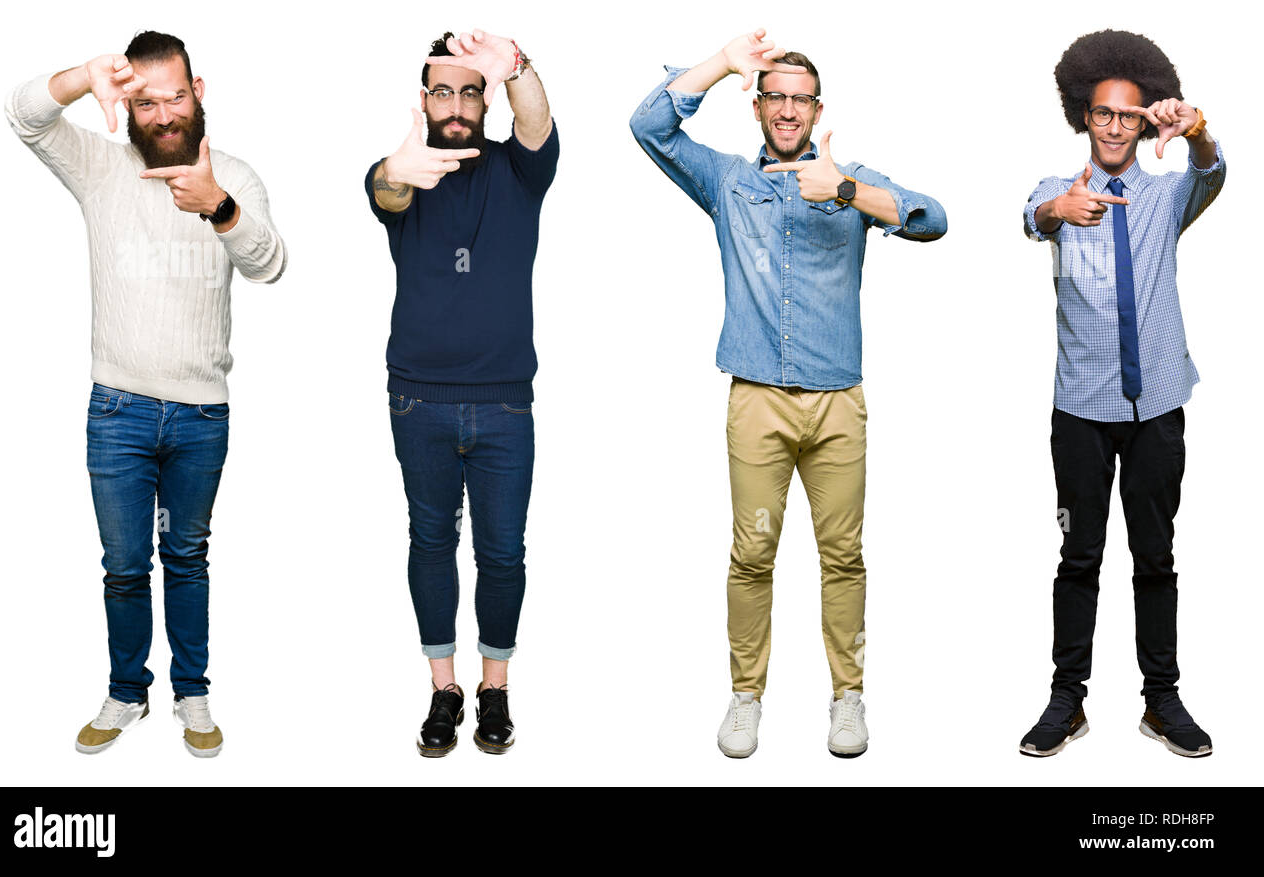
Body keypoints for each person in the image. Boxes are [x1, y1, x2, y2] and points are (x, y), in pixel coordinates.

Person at [630, 29, 946, 758]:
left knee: (844, 555)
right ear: (760, 105)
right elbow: (648, 126)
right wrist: (718, 65)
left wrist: (844, 191)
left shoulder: (848, 177)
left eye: (802, 99)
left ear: (817, 108)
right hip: (757, 401)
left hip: (838, 402)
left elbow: (932, 218)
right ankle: (746, 696)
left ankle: (848, 695)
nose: (789, 110)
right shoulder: (727, 183)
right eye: (776, 96)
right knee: (752, 553)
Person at [6, 31, 287, 757]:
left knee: (187, 554)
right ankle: (127, 691)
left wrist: (219, 206)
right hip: (118, 411)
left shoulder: (235, 177)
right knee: (125, 566)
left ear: (200, 91)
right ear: (127, 106)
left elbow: (270, 264)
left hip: (201, 413)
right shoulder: (102, 166)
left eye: (174, 95)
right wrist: (79, 76)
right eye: (145, 100)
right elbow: (22, 114)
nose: (163, 113)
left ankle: (192, 695)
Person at [1019, 29, 1222, 759]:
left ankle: (1161, 700)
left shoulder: (1167, 198)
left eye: (1127, 115)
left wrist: (1197, 132)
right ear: (1083, 114)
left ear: (1142, 124)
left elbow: (1212, 170)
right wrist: (1057, 213)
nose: (1112, 125)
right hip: (1080, 410)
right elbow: (1029, 215)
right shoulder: (1056, 192)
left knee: (1156, 557)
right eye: (1101, 113)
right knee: (1079, 558)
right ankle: (1066, 699)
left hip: (1157, 409)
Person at [365, 29, 558, 756]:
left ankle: (494, 687)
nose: (454, 103)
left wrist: (517, 66)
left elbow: (537, 121)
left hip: (506, 400)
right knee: (430, 540)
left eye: (468, 90)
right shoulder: (399, 176)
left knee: (504, 552)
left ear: (485, 100)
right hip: (418, 398)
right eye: (441, 90)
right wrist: (396, 166)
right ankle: (443, 687)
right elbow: (383, 189)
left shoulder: (520, 170)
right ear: (424, 100)